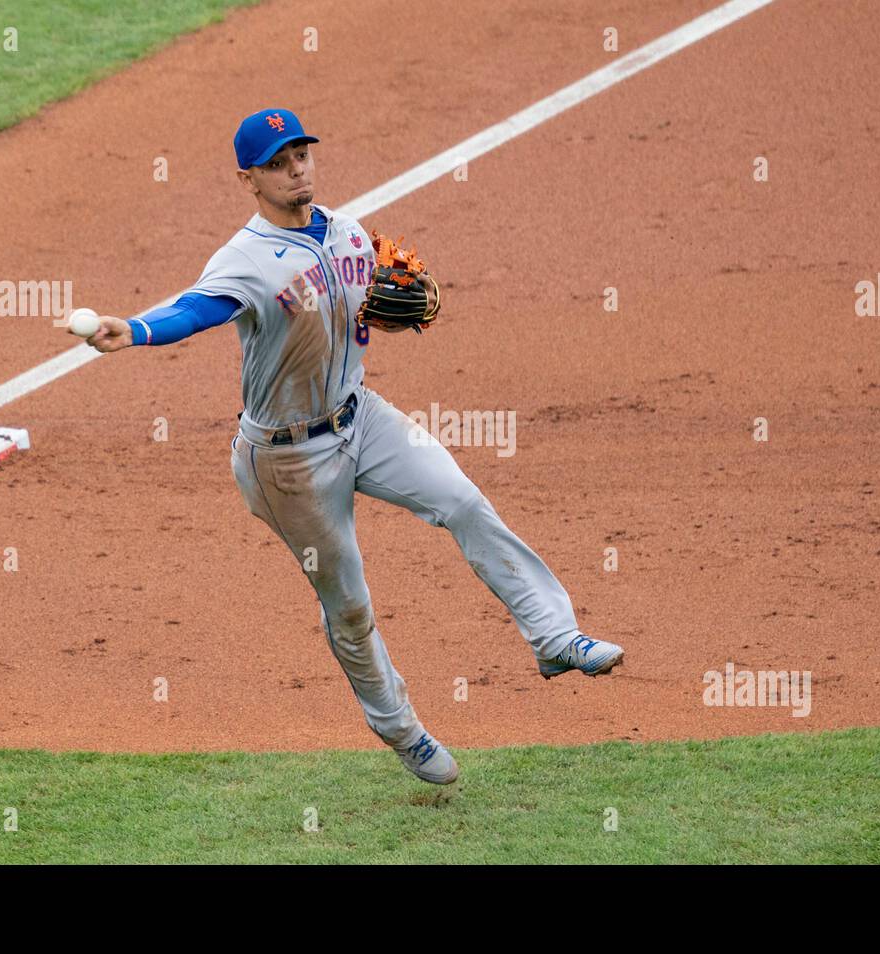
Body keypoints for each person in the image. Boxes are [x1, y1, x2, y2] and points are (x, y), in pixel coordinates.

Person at [77, 107, 624, 785]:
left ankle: (554, 636)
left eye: (301, 154)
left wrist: (407, 312)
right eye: (277, 163)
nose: (295, 169)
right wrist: (132, 328)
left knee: (461, 498)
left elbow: (370, 318)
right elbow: (196, 309)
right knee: (350, 602)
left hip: (361, 418)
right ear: (249, 178)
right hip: (286, 463)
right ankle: (400, 728)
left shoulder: (346, 233)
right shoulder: (244, 260)